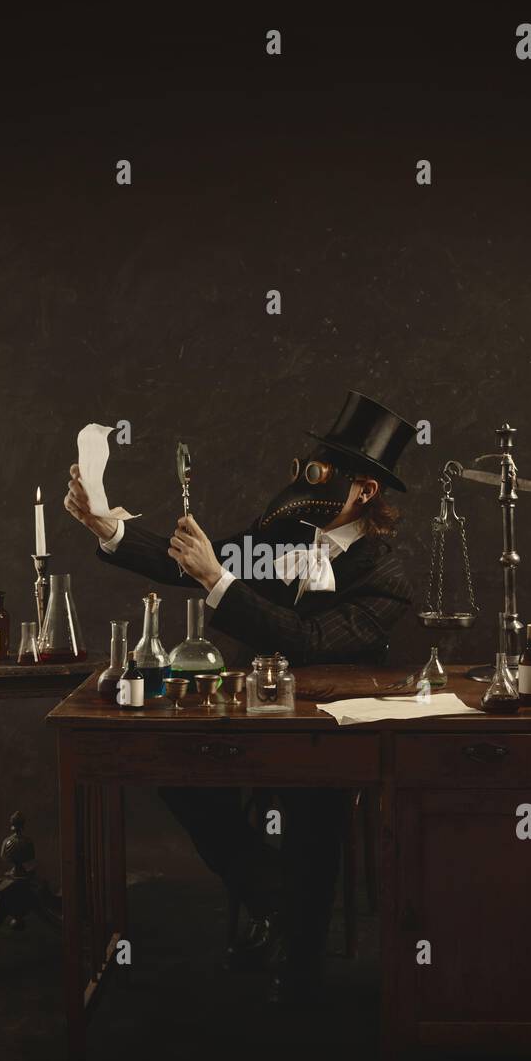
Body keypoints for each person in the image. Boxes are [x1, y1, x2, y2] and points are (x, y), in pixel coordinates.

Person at [64, 391, 417, 1003]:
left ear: (362, 489)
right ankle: (273, 898)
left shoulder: (384, 572)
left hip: (333, 734)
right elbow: (189, 563)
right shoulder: (280, 535)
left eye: (326, 470)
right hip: (257, 716)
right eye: (313, 463)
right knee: (179, 774)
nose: (310, 477)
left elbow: (308, 639)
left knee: (313, 803)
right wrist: (109, 527)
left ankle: (300, 958)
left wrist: (217, 578)